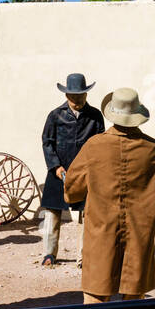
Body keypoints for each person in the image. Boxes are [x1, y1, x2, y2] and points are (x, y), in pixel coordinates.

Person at [63, 88, 155, 309]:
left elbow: (72, 187)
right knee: (133, 283)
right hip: (139, 224)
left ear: (112, 115)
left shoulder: (94, 146)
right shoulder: (154, 150)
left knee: (97, 284)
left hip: (101, 224)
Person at [38, 72, 105, 267]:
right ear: (66, 96)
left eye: (81, 96)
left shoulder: (95, 116)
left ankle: (84, 256)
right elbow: (47, 142)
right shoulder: (55, 115)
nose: (77, 100)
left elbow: (100, 142)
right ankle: (49, 254)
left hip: (86, 173)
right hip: (58, 172)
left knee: (86, 214)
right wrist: (55, 166)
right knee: (52, 213)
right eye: (73, 96)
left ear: (86, 94)